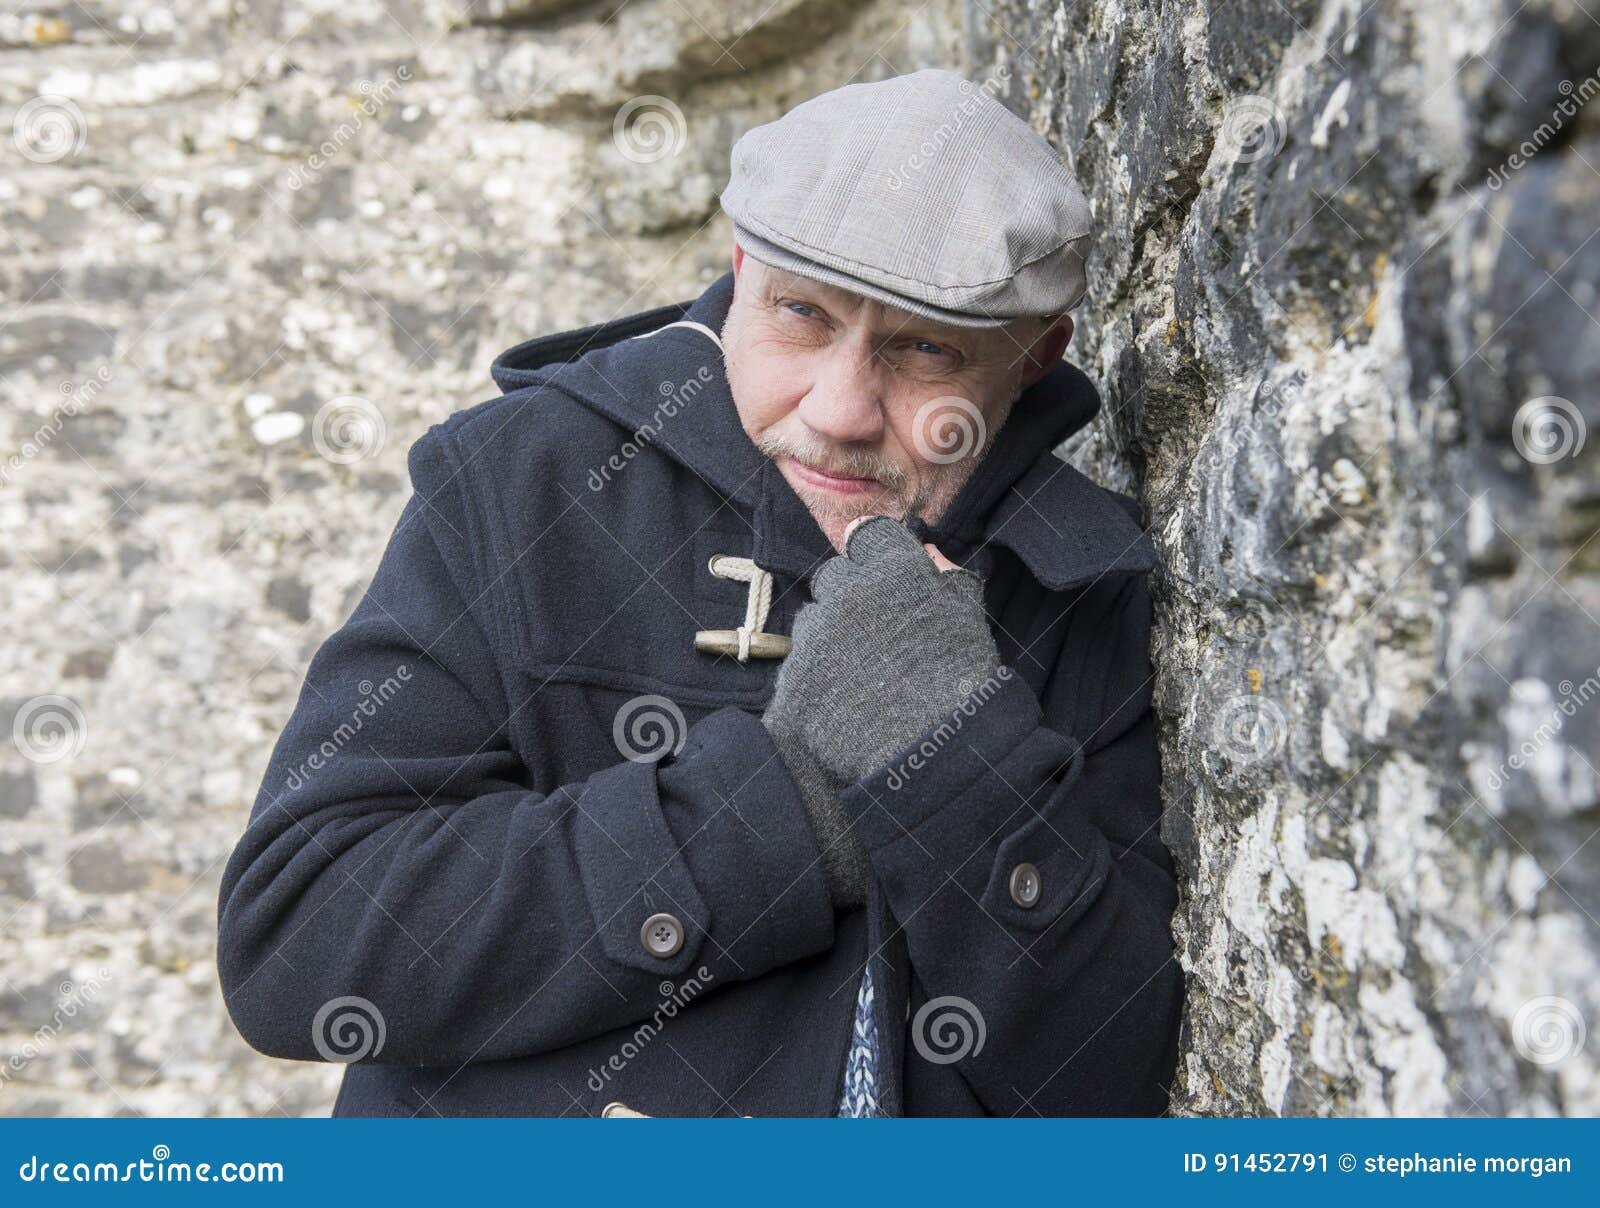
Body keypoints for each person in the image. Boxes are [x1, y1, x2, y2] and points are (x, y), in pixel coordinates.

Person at [217, 68, 1182, 1117]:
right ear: (738, 270)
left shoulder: (1087, 581)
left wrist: (955, 769)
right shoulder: (527, 479)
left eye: (923, 349)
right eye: (800, 315)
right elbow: (297, 938)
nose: (840, 407)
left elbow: (1100, 1082)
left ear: (1036, 357)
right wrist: (788, 811)